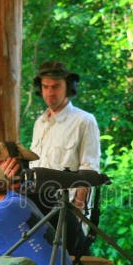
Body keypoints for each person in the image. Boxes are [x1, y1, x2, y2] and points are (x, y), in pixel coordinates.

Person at [30, 61, 101, 209]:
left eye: (56, 86)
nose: (50, 92)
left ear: (68, 87)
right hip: (37, 206)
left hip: (67, 209)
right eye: (45, 87)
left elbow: (89, 170)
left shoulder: (84, 121)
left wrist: (77, 210)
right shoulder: (39, 123)